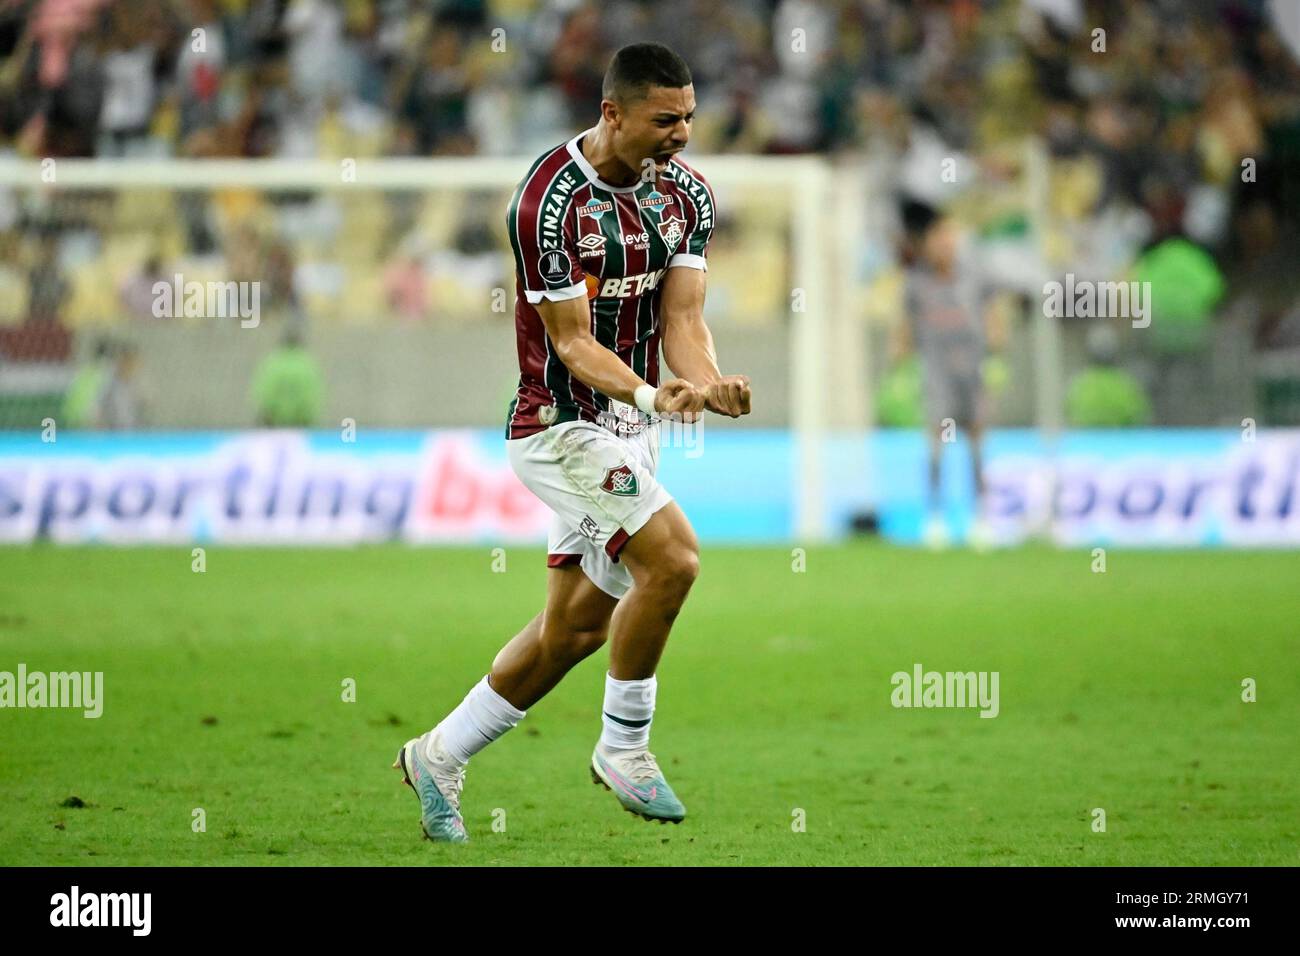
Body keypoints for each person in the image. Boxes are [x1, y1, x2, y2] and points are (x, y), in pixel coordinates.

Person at [394, 42, 751, 842]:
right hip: (559, 428)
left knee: (576, 631)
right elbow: (570, 343)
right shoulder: (547, 202)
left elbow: (683, 321)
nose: (682, 134)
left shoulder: (688, 197)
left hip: (631, 433)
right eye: (666, 119)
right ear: (612, 112)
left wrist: (707, 383)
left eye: (689, 117)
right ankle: (625, 746)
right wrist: (658, 391)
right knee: (675, 560)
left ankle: (437, 755)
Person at [895, 199, 994, 549]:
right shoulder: (917, 284)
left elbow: (993, 315)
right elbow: (905, 327)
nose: (945, 246)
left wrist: (997, 352)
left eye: (949, 239)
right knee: (936, 442)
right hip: (937, 373)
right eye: (939, 239)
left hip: (972, 371)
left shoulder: (974, 279)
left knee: (977, 442)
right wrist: (900, 359)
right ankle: (935, 517)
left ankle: (981, 517)